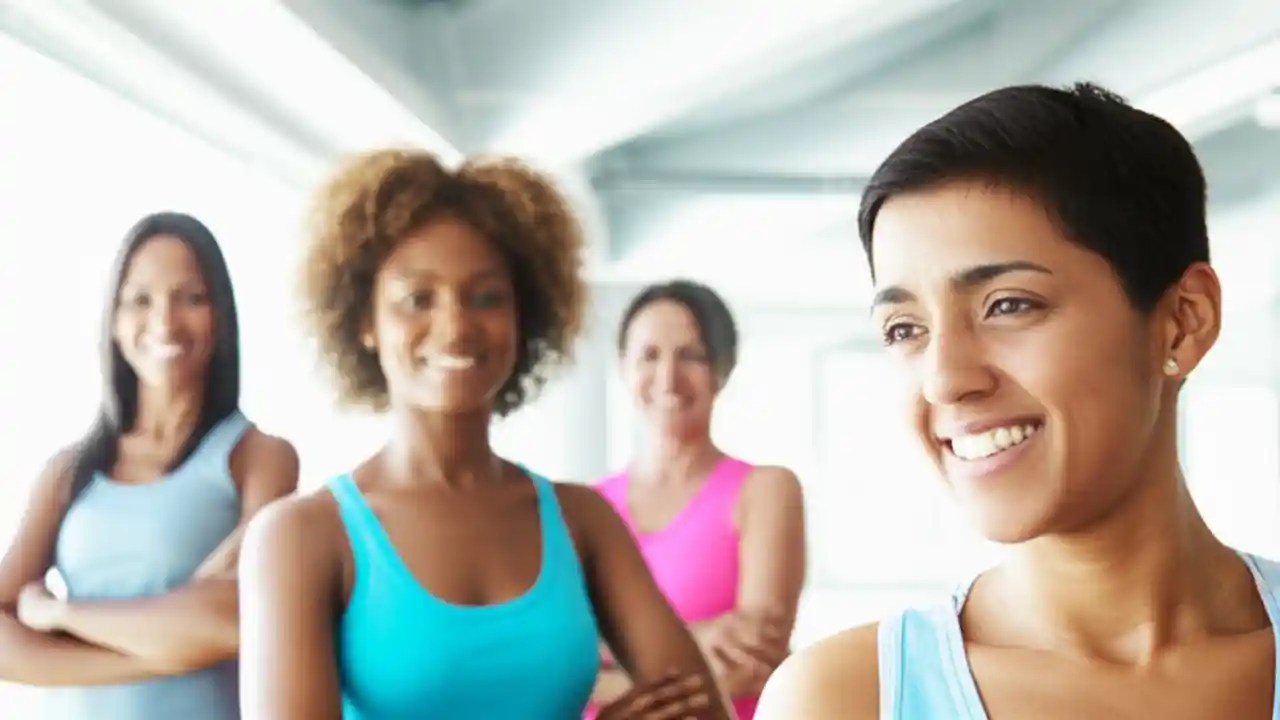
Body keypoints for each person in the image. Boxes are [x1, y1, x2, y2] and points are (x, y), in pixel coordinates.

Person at [755, 81, 1280, 719]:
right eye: (905, 330)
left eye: (1008, 305)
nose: (945, 379)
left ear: (1183, 321)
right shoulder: (843, 701)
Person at [237, 149, 732, 720]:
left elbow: (702, 714)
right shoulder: (303, 538)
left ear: (525, 319)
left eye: (486, 297)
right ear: (365, 321)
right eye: (418, 298)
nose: (456, 325)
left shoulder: (582, 522)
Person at [0, 211, 300, 720]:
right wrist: (166, 646)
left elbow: (233, 619)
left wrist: (59, 614)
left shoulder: (259, 458)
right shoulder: (67, 472)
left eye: (191, 298)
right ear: (113, 322)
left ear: (221, 316)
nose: (165, 322)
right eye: (141, 300)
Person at [586, 280, 806, 719]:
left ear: (722, 368)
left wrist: (607, 668)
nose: (668, 377)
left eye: (691, 355)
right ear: (623, 367)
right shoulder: (584, 507)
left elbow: (753, 663)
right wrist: (698, 640)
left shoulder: (765, 490)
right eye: (649, 355)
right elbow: (558, 664)